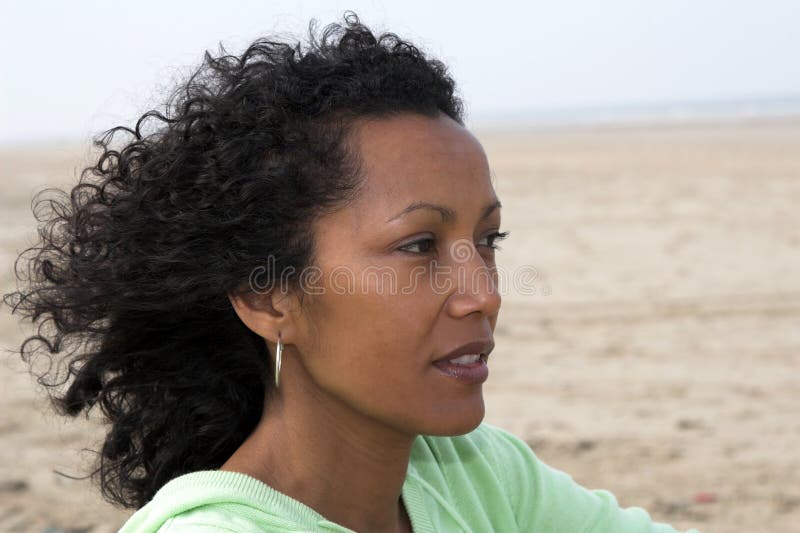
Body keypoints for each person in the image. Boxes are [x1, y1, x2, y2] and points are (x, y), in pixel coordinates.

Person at [3, 11, 703, 533]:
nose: (485, 294)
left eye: (489, 239)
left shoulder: (479, 477)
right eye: (419, 246)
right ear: (268, 297)